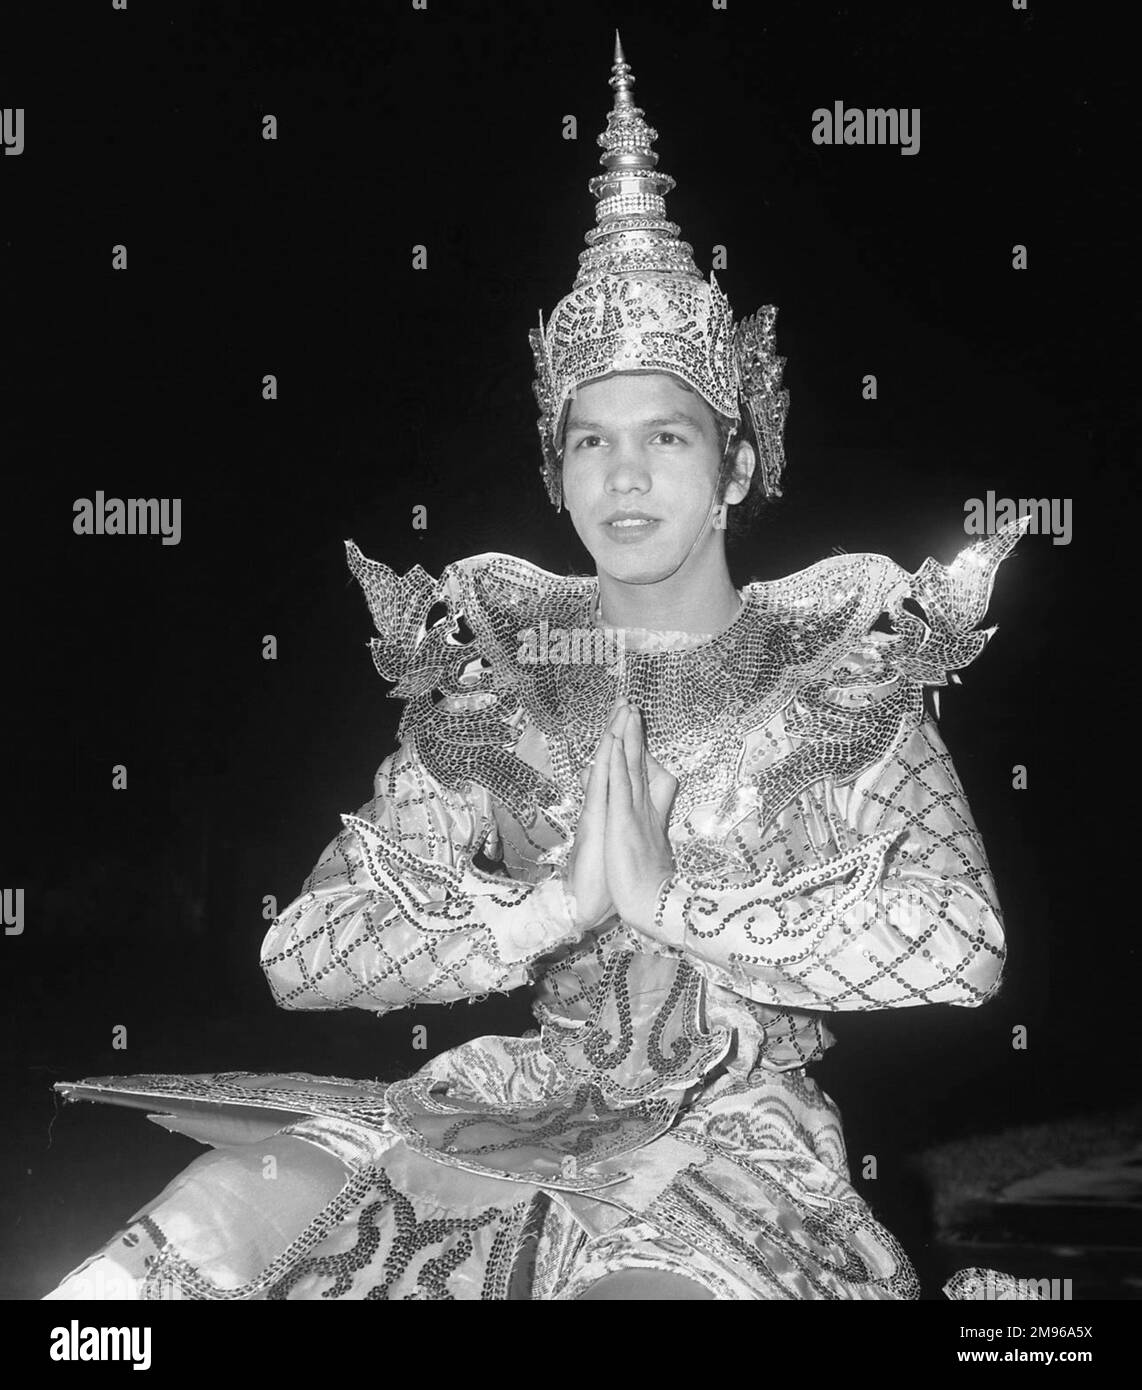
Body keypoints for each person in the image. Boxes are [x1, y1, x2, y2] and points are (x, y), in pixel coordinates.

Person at [42, 35, 1034, 1302]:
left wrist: (678, 906)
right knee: (155, 1274)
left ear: (736, 464)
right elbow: (300, 954)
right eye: (590, 442)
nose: (624, 477)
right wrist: (545, 912)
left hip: (728, 1143)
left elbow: (962, 946)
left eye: (666, 435)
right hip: (513, 1109)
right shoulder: (498, 682)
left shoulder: (834, 668)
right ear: (555, 469)